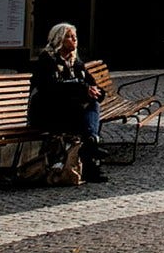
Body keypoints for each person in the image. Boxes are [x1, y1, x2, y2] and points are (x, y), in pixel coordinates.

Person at [28, 23, 108, 183]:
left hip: (70, 113)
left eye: (75, 37)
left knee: (92, 105)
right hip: (47, 113)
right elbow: (51, 90)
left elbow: (93, 86)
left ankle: (91, 143)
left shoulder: (76, 62)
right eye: (70, 36)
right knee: (84, 115)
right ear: (59, 40)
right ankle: (91, 155)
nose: (74, 40)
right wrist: (82, 89)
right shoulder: (47, 60)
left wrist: (96, 92)